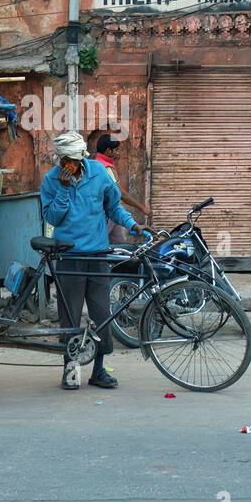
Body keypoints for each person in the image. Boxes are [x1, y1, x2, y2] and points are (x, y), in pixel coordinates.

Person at [40, 130, 150, 391]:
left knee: (102, 315)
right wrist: (64, 190)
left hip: (98, 255)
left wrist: (133, 225)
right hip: (69, 257)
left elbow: (114, 207)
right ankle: (71, 369)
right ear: (61, 159)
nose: (72, 166)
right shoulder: (51, 181)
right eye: (67, 161)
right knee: (70, 317)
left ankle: (99, 370)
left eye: (75, 161)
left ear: (81, 158)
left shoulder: (98, 173)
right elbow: (52, 219)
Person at [89, 133, 148, 243]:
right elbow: (121, 194)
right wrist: (142, 208)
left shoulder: (96, 164)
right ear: (108, 151)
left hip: (107, 212)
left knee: (119, 244)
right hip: (107, 212)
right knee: (98, 242)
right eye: (116, 150)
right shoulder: (105, 168)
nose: (118, 153)